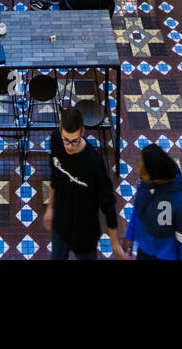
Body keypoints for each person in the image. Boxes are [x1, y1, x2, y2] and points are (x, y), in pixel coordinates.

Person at [43, 107, 127, 260]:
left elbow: (107, 203)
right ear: (60, 129)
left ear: (82, 131)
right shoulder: (56, 140)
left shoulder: (94, 163)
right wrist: (50, 207)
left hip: (85, 230)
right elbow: (55, 176)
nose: (69, 146)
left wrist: (115, 244)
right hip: (61, 223)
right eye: (66, 140)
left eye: (74, 141)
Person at [126, 146, 182, 260]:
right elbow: (138, 207)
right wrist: (131, 233)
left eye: (143, 171)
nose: (138, 172)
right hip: (144, 251)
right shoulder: (145, 182)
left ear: (156, 177)